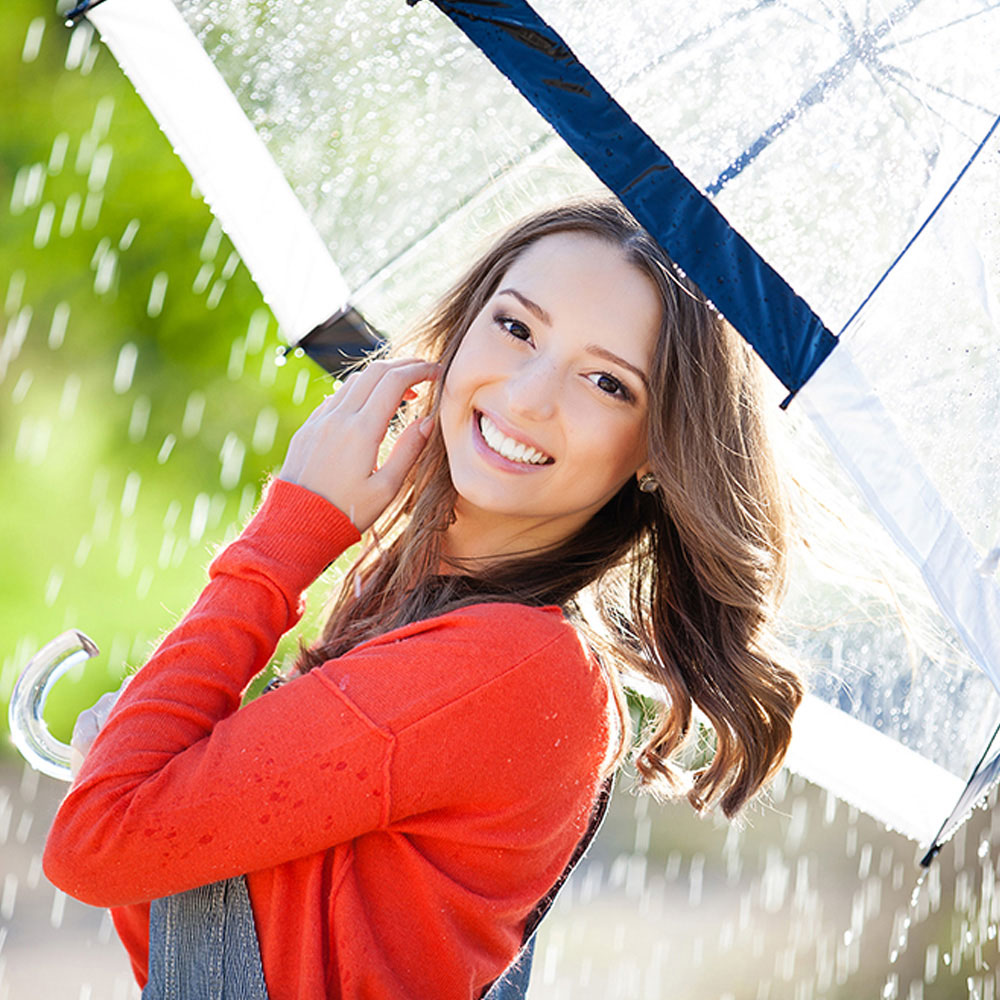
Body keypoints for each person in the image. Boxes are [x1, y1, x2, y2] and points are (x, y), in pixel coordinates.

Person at [43, 198, 803, 999]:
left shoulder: (518, 666)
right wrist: (147, 752)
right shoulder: (409, 606)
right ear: (462, 328)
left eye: (608, 382)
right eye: (516, 328)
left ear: (657, 452)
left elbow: (97, 846)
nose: (528, 396)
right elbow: (198, 961)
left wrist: (284, 541)